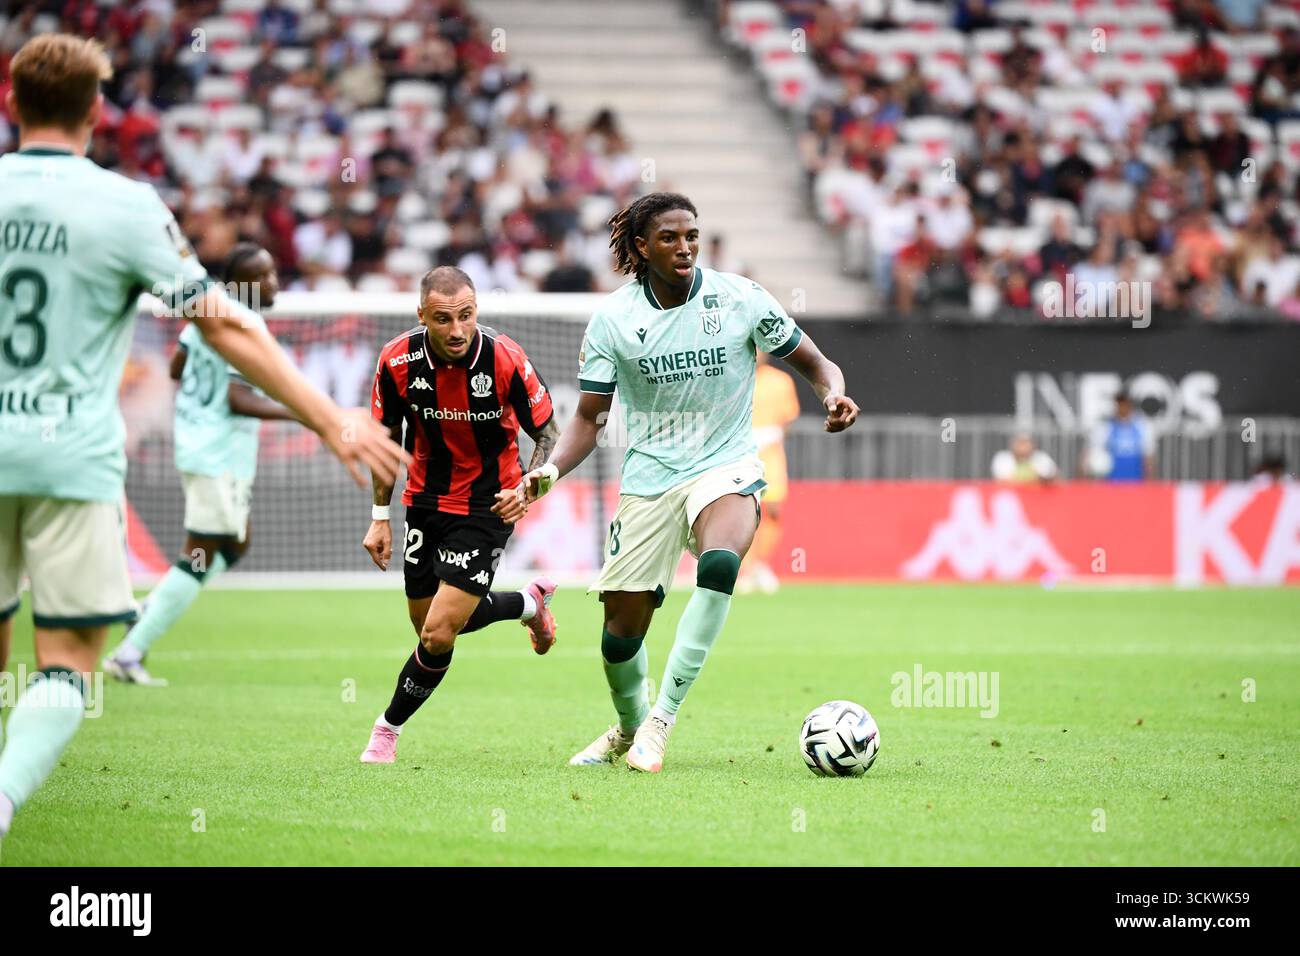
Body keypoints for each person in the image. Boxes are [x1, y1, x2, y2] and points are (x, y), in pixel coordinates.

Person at [0, 34, 405, 845]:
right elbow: (220, 325)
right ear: (96, 112)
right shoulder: (124, 205)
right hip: (69, 459)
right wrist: (330, 418)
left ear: (11, 103)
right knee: (68, 659)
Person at [494, 192, 859, 774]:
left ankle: (661, 721)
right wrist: (548, 472)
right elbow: (589, 418)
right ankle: (630, 726)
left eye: (691, 234)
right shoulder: (614, 319)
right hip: (651, 479)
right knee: (619, 635)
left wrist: (832, 393)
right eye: (669, 237)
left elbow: (816, 361)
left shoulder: (738, 297)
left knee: (720, 564)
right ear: (642, 247)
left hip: (726, 465)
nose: (685, 245)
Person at [357, 267, 561, 764]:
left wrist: (526, 488)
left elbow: (550, 433)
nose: (456, 329)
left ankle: (387, 730)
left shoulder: (505, 358)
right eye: (444, 319)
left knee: (438, 632)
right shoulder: (397, 361)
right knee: (431, 622)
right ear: (421, 315)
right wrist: (380, 515)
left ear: (477, 311)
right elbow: (385, 442)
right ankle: (528, 605)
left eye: (466, 316)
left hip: (489, 504)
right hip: (425, 501)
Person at [103, 244, 298, 685]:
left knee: (236, 543)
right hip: (216, 454)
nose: (273, 281)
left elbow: (177, 366)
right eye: (263, 275)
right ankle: (129, 652)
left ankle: (149, 608)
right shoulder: (243, 326)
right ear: (241, 286)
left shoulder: (208, 320)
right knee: (201, 551)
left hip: (204, 446)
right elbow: (235, 396)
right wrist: (300, 413)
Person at [739, 351, 799, 593]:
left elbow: (788, 419)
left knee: (772, 510)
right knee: (744, 512)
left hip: (770, 454)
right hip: (741, 454)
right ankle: (746, 568)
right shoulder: (735, 378)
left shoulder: (780, 381)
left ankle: (761, 564)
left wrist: (770, 438)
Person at [1088, 391, 1155, 481]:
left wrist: (1149, 482)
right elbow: (1093, 454)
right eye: (1119, 404)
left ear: (1130, 405)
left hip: (1136, 483)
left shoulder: (1142, 427)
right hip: (1112, 485)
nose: (1122, 407)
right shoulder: (1106, 428)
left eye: (1124, 404)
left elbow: (1148, 458)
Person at [991, 433, 1058, 484]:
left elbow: (1054, 477)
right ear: (1013, 445)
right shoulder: (1003, 458)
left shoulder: (1041, 458)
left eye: (1026, 443)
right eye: (1021, 443)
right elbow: (1001, 481)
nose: (1024, 447)